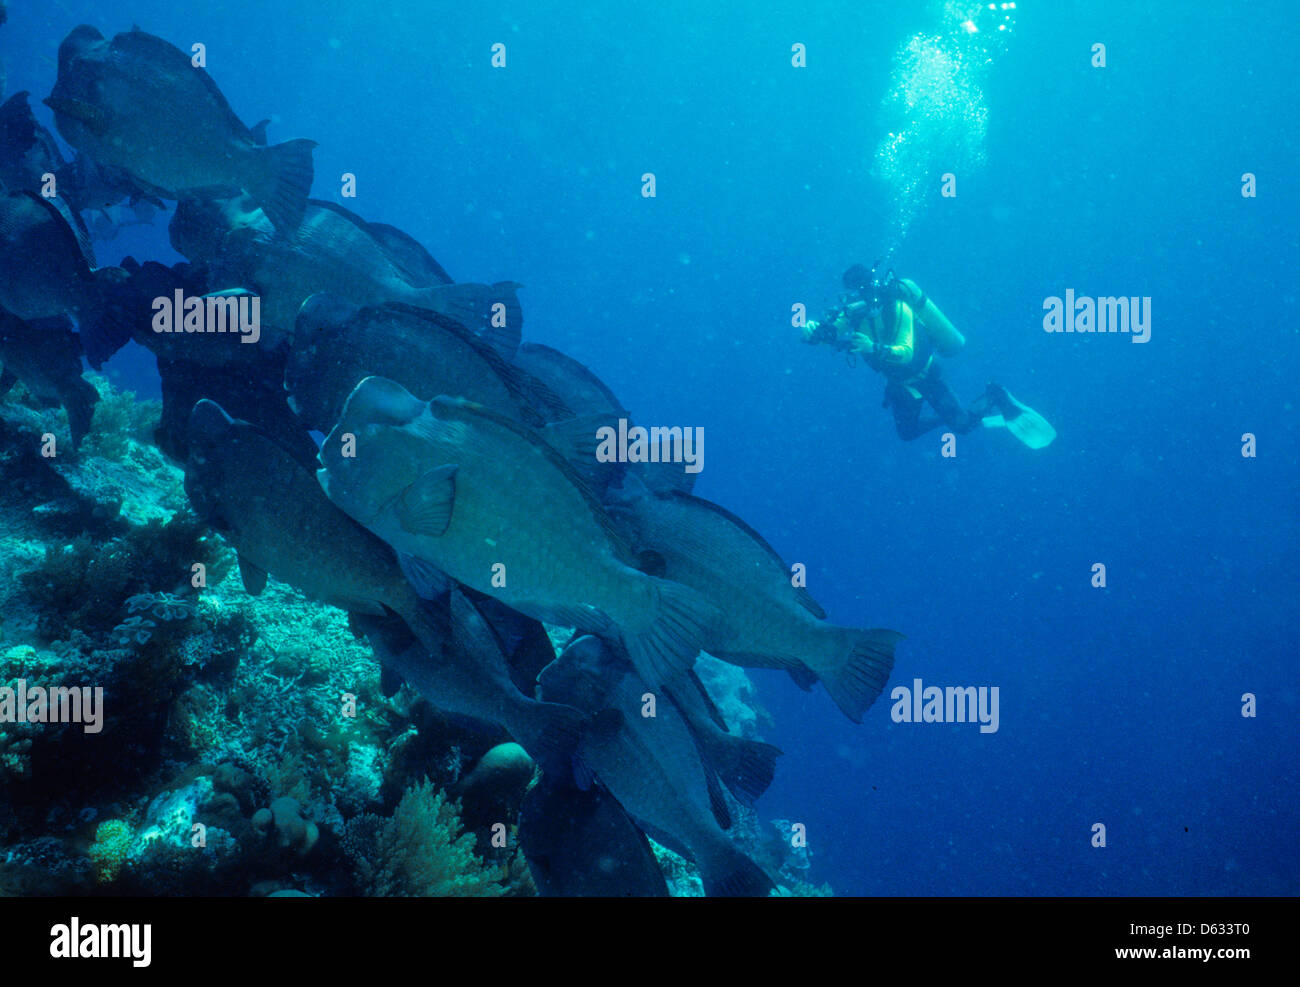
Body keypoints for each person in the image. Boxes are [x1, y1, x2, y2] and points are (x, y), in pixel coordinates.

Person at [801, 263, 1055, 448]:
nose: (862, 300)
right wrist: (813, 332)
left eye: (864, 291)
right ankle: (961, 416)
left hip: (926, 375)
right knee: (908, 433)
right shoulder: (853, 315)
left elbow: (907, 353)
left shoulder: (898, 308)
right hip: (898, 383)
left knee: (963, 427)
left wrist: (872, 348)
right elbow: (829, 333)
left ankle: (994, 395)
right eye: (856, 294)